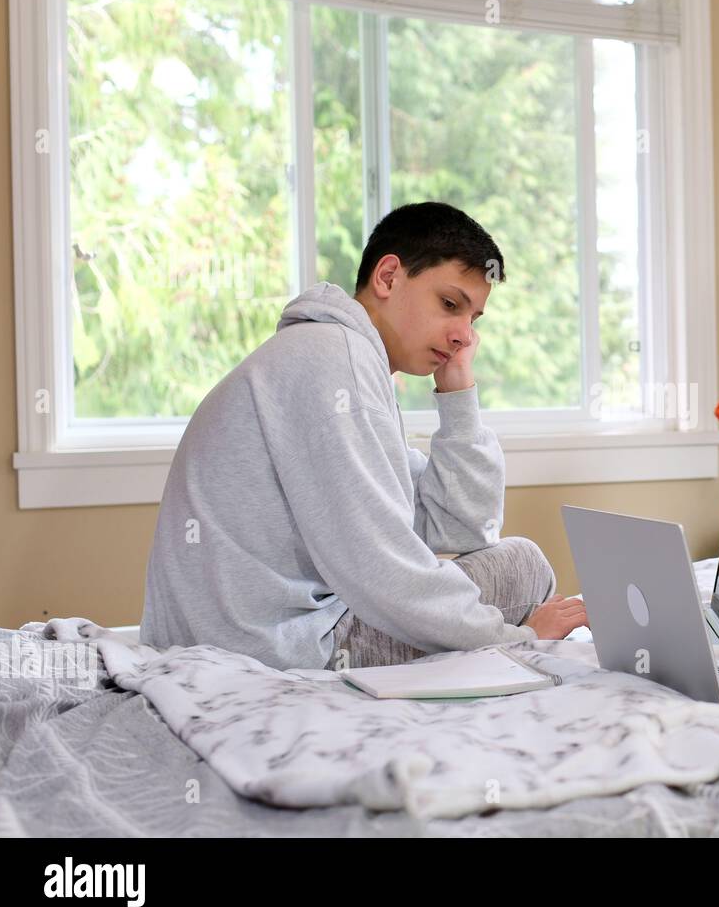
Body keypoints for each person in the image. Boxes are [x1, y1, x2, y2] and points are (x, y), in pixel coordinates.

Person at [141, 202, 587, 670]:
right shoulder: (339, 363)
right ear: (388, 277)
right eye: (450, 304)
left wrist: (457, 395)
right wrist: (516, 639)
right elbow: (385, 571)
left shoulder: (331, 354)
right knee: (523, 566)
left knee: (512, 562)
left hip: (237, 641)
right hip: (281, 651)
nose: (463, 336)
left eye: (473, 319)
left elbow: (461, 527)